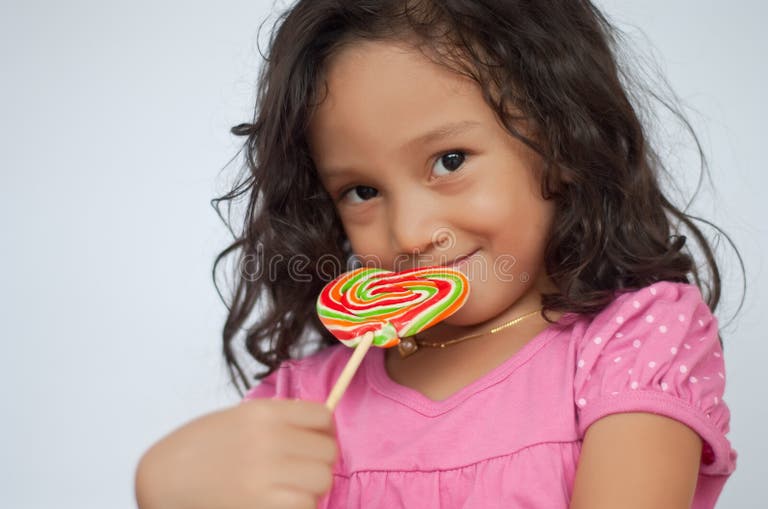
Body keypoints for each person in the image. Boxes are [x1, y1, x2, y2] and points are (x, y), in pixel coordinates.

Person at [134, 1, 744, 508]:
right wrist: (162, 486)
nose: (411, 232)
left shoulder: (632, 344)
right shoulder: (303, 406)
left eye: (449, 161)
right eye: (362, 191)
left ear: (561, 139)